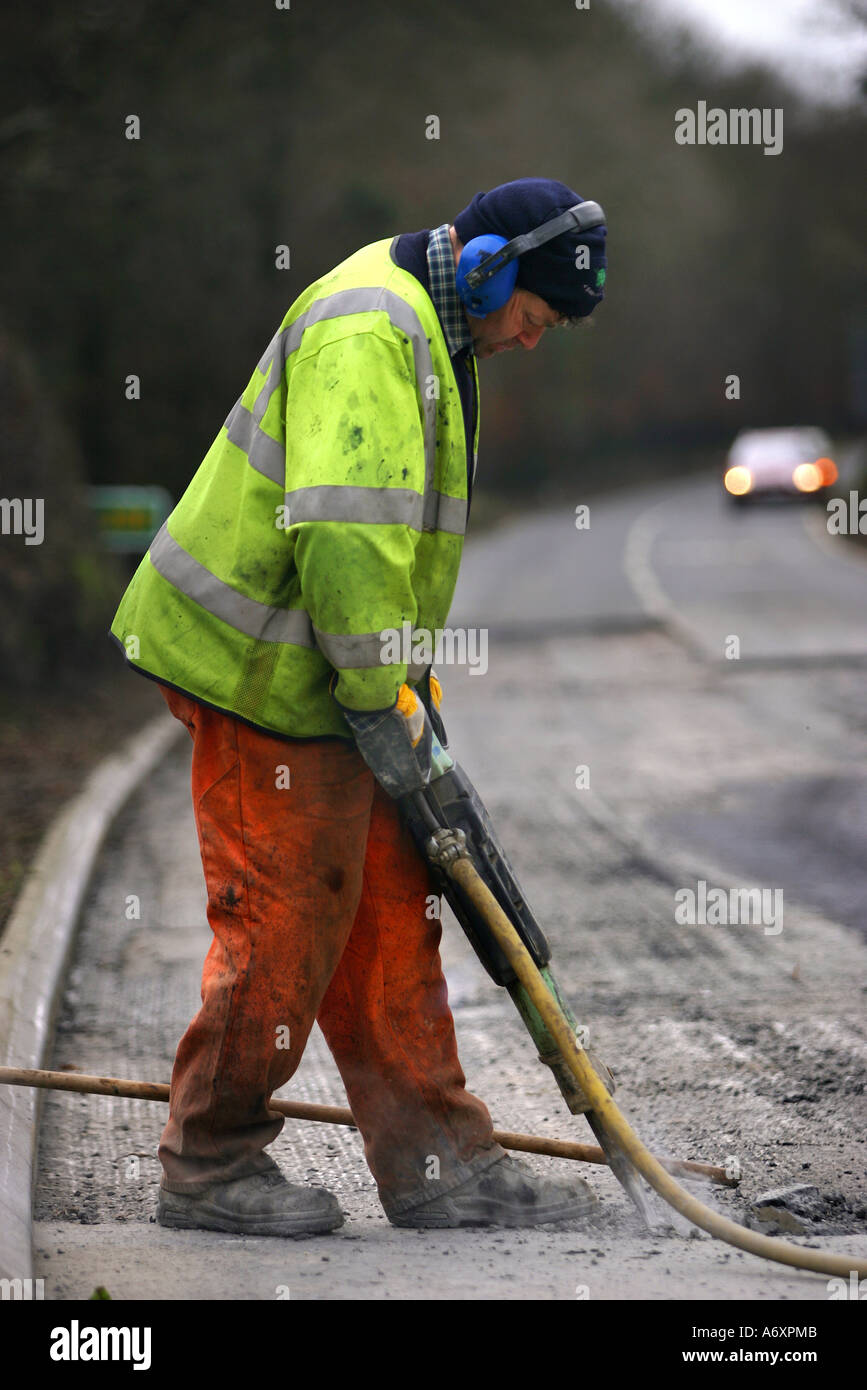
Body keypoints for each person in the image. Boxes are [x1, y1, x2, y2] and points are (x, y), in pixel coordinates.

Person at [110, 177, 608, 1236]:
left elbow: (383, 552)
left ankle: (440, 1162)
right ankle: (209, 1163)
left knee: (392, 909)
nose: (529, 340)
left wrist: (403, 698)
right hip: (257, 672)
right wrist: (380, 693)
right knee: (287, 914)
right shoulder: (372, 331)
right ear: (489, 269)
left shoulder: (436, 331)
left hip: (332, 678)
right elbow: (345, 534)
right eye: (534, 315)